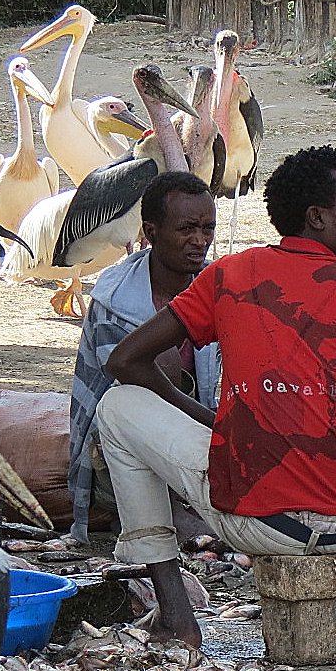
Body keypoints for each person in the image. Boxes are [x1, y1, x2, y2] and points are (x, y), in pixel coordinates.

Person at [98, 146, 336, 648]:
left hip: (263, 527)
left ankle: (175, 612)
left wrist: (215, 421)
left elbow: (124, 362)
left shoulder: (231, 275)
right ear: (317, 218)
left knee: (116, 406)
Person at [68, 171, 219, 544]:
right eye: (186, 229)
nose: (199, 242)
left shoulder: (222, 288)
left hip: (204, 441)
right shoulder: (115, 301)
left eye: (207, 229)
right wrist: (218, 426)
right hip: (125, 450)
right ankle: (169, 516)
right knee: (156, 361)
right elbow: (136, 388)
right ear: (150, 233)